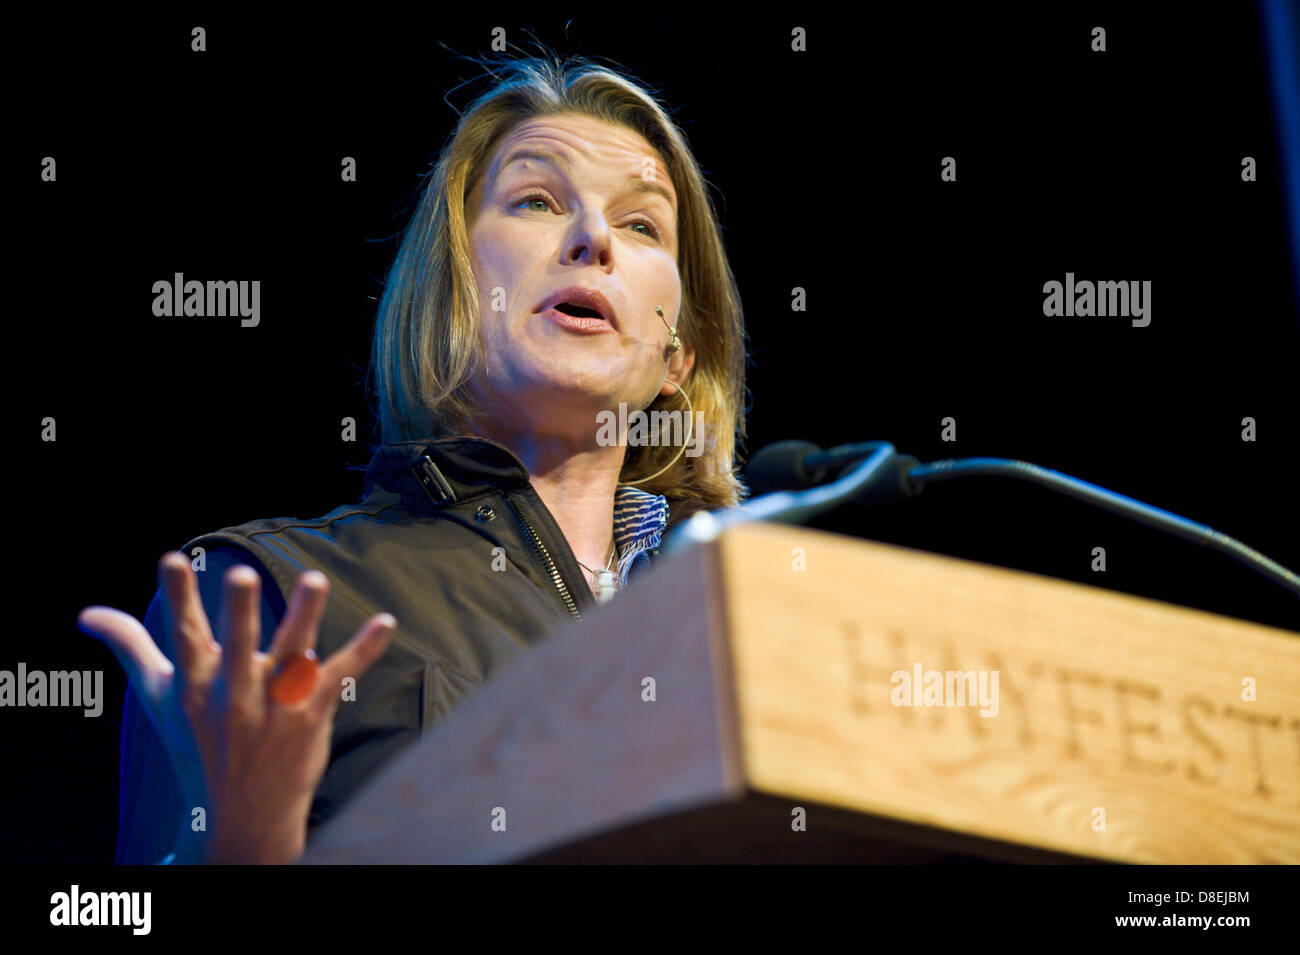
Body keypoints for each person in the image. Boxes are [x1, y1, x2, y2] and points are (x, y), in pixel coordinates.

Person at [78, 53, 748, 864]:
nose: (594, 239)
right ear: (454, 288)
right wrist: (239, 845)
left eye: (642, 224)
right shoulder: (274, 600)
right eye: (536, 200)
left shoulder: (753, 640)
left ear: (679, 356)